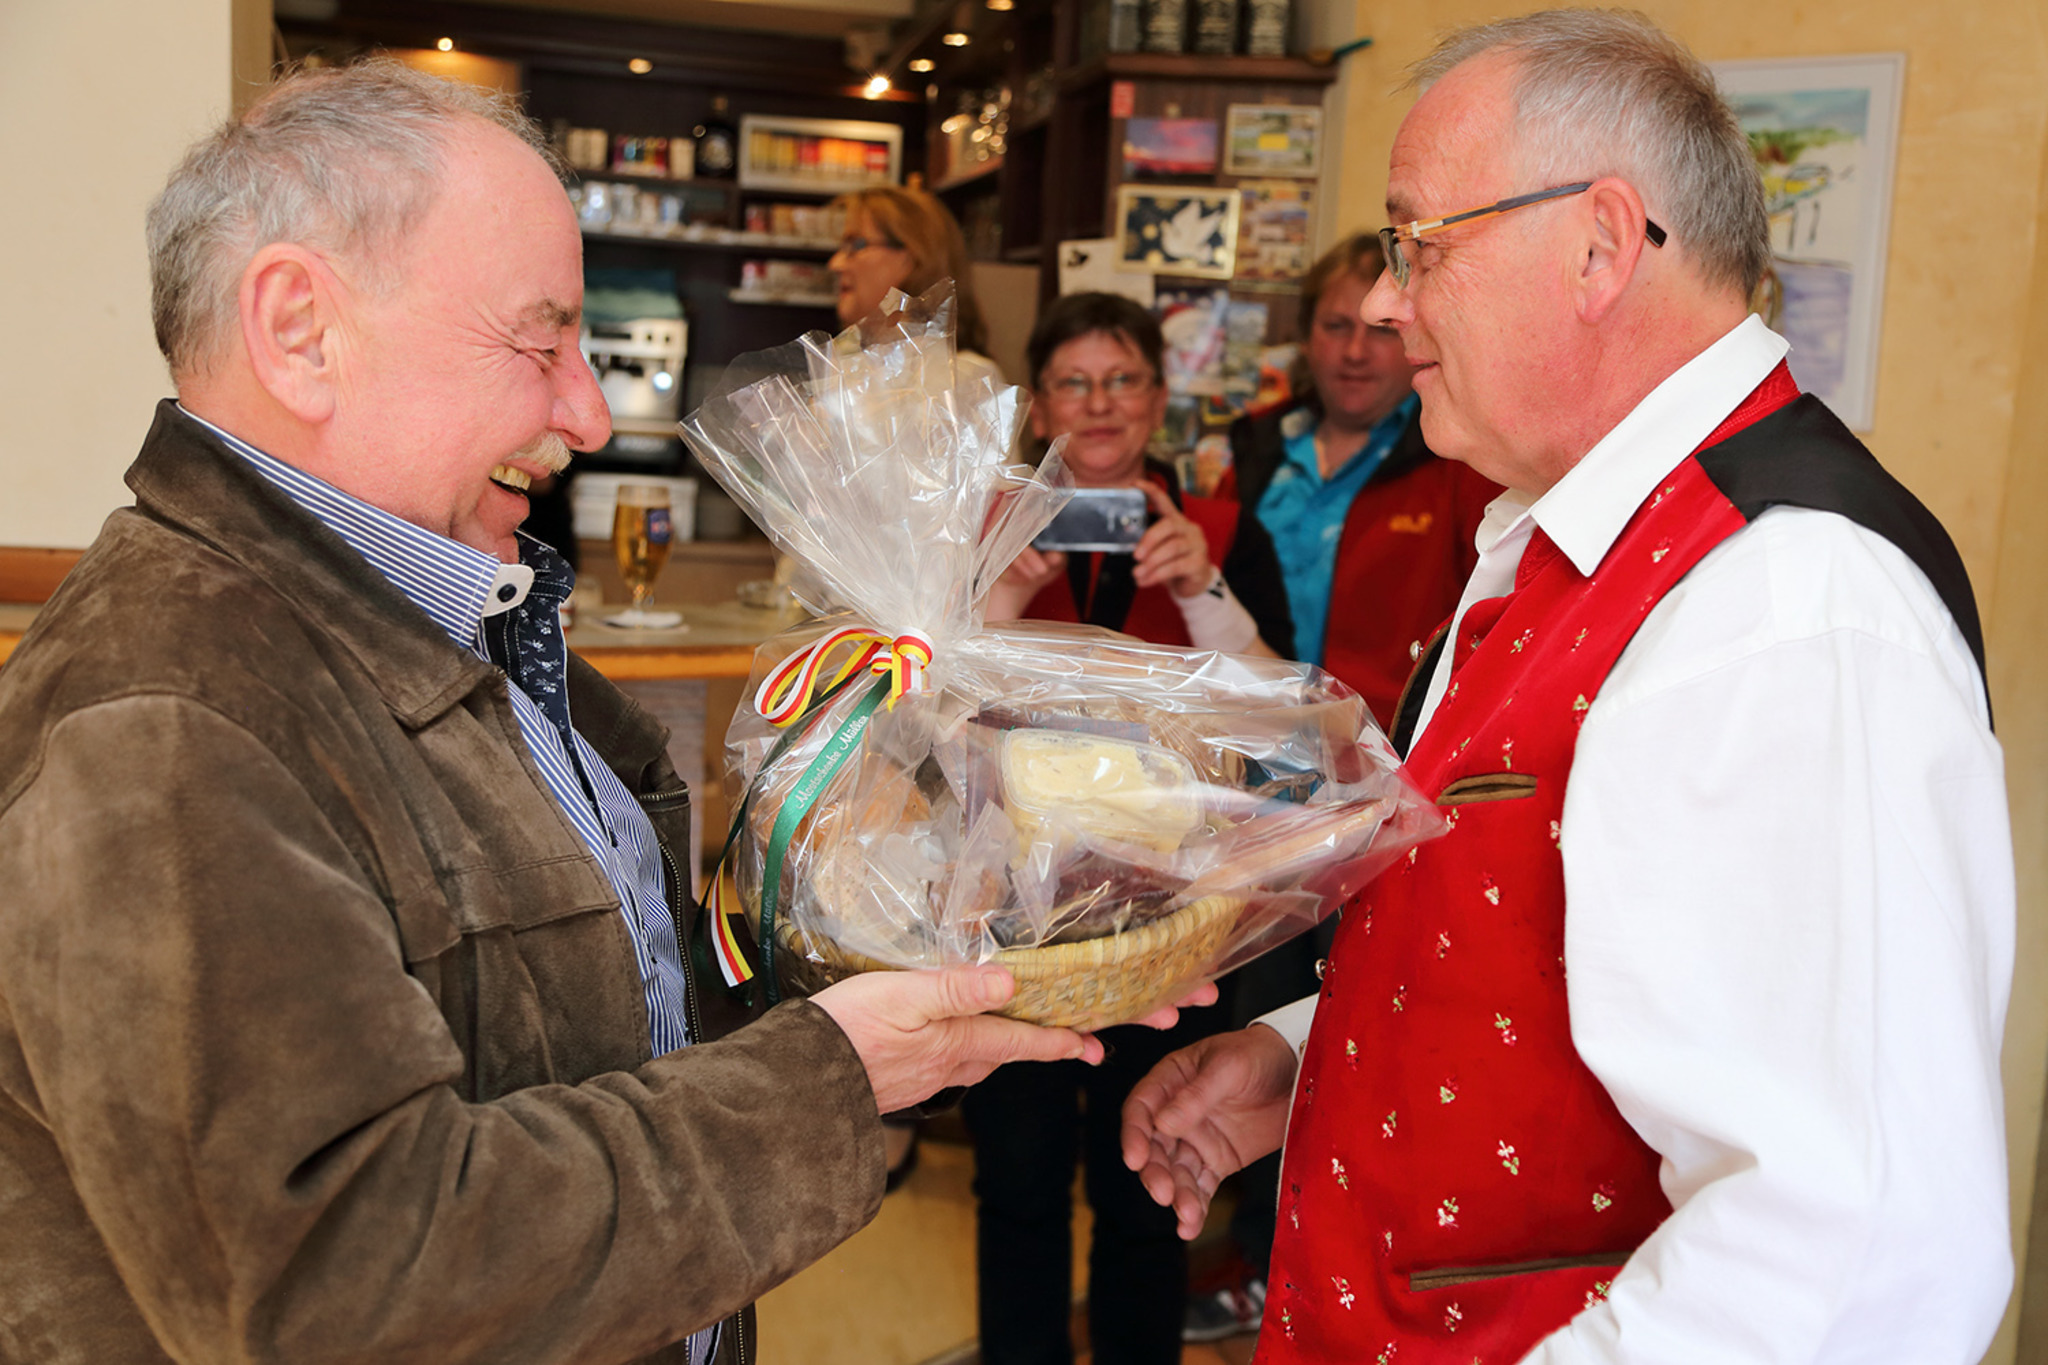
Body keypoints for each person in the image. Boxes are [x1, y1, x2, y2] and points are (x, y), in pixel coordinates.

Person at [0, 61, 1157, 1365]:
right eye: (540, 341)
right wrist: (830, 1077)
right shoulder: (158, 724)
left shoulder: (452, 614)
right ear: (299, 329)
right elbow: (342, 1280)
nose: (591, 414)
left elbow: (607, 1017)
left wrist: (876, 948)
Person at [1122, 11, 2013, 1364]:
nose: (1393, 302)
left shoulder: (1786, 604)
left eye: (1422, 245)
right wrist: (1310, 1059)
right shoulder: (1555, 539)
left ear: (1599, 245)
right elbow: (1573, 958)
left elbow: (1849, 1255)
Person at [960, 292, 1289, 1365]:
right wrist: (994, 607)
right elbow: (923, 726)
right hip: (1016, 919)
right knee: (1014, 1180)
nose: (1098, 404)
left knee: (1149, 1172)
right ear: (1037, 403)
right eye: (1072, 382)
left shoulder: (1229, 530)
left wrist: (1203, 591)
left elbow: (1281, 726)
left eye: (1121, 380)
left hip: (1177, 923)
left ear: (1156, 397)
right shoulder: (982, 530)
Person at [1222, 235, 1500, 730]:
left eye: (1379, 331)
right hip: (1246, 735)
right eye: (1335, 327)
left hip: (1384, 752)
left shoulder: (1462, 462)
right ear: (1305, 337)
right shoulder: (1256, 450)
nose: (1354, 351)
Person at [828, 184, 1003, 388]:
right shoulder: (841, 366)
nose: (836, 264)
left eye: (857, 245)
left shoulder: (966, 378)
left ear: (915, 256)